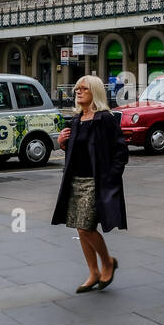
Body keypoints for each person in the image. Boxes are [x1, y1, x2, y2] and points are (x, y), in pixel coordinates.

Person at [52, 75, 127, 292]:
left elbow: (120, 152)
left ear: (95, 92)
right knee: (81, 227)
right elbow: (79, 152)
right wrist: (62, 144)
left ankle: (108, 262)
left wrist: (111, 177)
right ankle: (93, 271)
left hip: (96, 181)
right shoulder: (76, 120)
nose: (78, 91)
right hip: (76, 181)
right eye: (77, 88)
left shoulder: (105, 119)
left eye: (83, 88)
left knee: (85, 228)